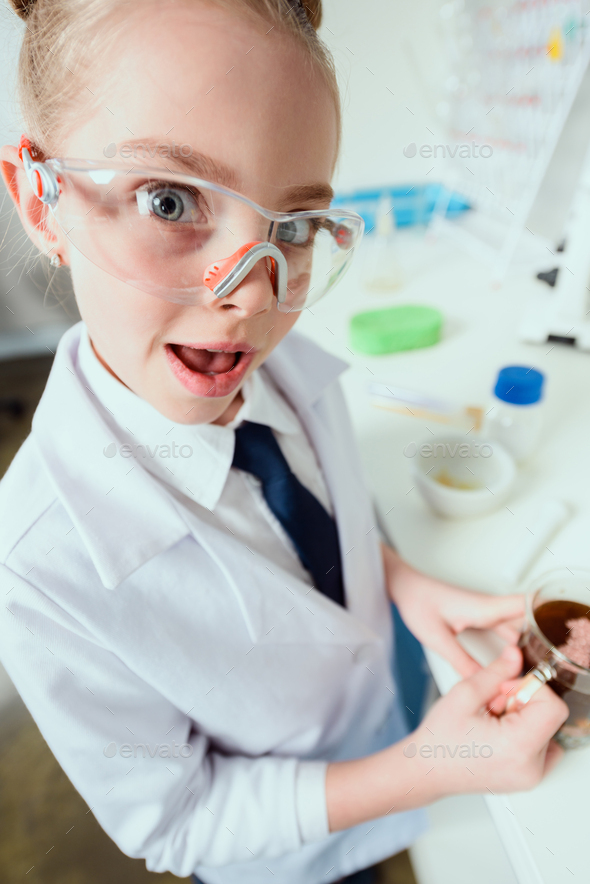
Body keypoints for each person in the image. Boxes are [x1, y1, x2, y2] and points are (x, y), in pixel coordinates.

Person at [0, 0, 568, 882]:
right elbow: (179, 819)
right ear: (40, 200)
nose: (256, 295)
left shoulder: (279, 363)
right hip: (300, 854)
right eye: (170, 200)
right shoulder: (37, 568)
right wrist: (430, 768)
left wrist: (400, 579)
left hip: (400, 703)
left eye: (293, 228)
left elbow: (326, 513)